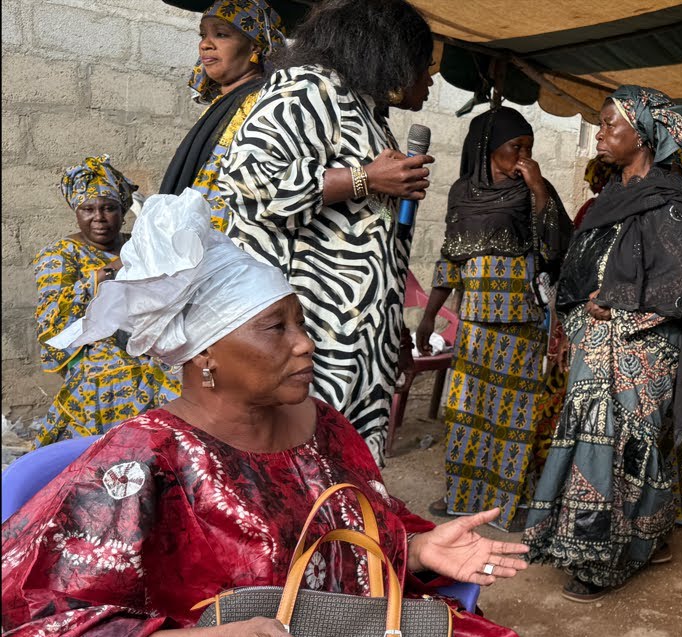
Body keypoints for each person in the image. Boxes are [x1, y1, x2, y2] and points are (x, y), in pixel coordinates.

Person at [2, 190, 566, 637]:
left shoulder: (321, 425)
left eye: (300, 321)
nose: (306, 342)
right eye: (277, 328)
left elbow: (349, 550)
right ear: (206, 358)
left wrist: (416, 550)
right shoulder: (142, 462)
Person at [523, 85, 682, 601]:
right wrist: (576, 317)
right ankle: (610, 543)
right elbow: (576, 268)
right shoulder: (609, 201)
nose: (600, 132)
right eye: (601, 122)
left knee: (630, 449)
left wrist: (613, 301)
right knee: (594, 443)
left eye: (612, 123)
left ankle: (612, 557)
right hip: (596, 343)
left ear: (643, 136)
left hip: (644, 348)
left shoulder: (675, 206)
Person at [219, 0, 436, 466]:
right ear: (388, 51)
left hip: (355, 340)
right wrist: (366, 179)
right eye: (424, 65)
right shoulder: (306, 89)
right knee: (303, 472)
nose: (429, 79)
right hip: (311, 336)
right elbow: (253, 181)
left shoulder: (362, 108)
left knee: (345, 474)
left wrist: (389, 323)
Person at [415, 106, 572, 531]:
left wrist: (539, 190)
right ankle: (463, 496)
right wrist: (429, 316)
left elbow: (555, 247)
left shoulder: (533, 191)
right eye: (515, 146)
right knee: (466, 412)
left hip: (521, 324)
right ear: (487, 146)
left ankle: (512, 502)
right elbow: (450, 258)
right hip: (475, 326)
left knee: (513, 416)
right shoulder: (462, 193)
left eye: (529, 148)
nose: (524, 155)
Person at [32, 156, 178, 447]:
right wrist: (106, 274)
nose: (98, 217)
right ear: (76, 212)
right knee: (125, 374)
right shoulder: (61, 254)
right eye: (88, 209)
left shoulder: (138, 242)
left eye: (109, 208)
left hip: (150, 332)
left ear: (123, 212)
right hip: (95, 346)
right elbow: (51, 317)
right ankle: (118, 451)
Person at [158, 0, 285, 232]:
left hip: (232, 244)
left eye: (221, 34)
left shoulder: (267, 103)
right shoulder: (220, 105)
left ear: (255, 46)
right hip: (192, 244)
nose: (206, 44)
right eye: (202, 35)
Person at [573, 157, 617, 229]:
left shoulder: (591, 206)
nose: (591, 188)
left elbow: (576, 229)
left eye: (592, 183)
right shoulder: (626, 203)